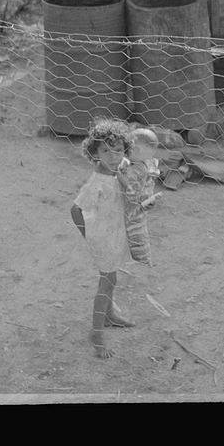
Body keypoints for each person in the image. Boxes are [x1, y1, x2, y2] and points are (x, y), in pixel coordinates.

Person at [71, 118, 137, 359]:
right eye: (105, 151)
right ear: (94, 152)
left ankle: (109, 315)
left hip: (114, 232)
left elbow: (124, 165)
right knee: (106, 281)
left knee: (112, 278)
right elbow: (75, 210)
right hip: (102, 238)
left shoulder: (114, 169)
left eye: (118, 150)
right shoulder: (96, 183)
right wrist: (89, 237)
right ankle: (97, 335)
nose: (112, 156)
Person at [118, 127, 162, 266]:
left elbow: (130, 191)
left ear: (136, 150)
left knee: (135, 239)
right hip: (138, 209)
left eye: (128, 147)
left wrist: (115, 172)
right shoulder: (146, 162)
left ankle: (142, 264)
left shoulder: (138, 170)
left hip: (132, 212)